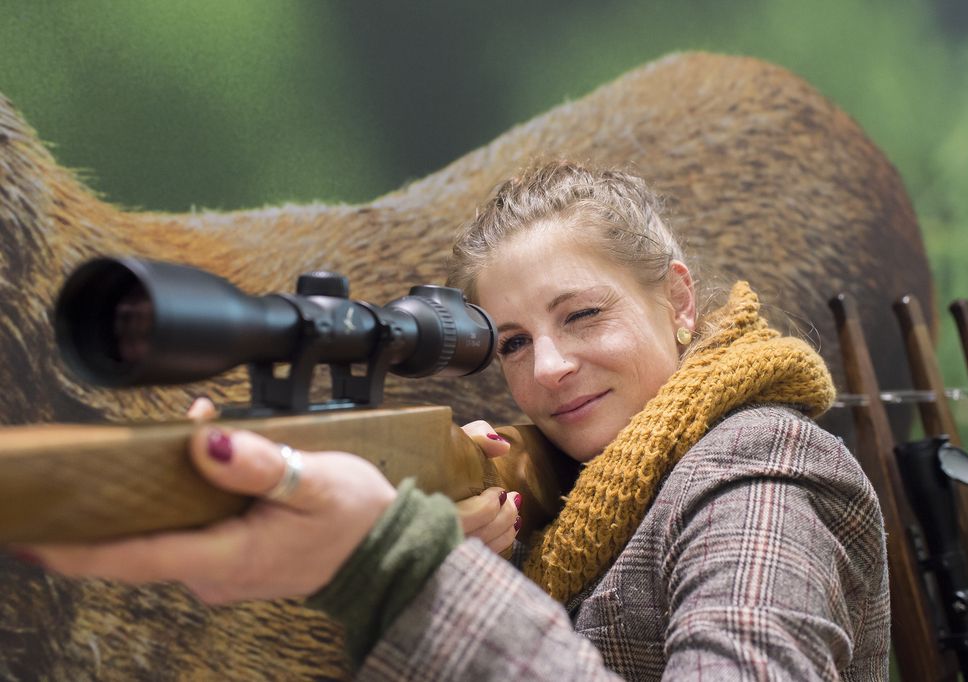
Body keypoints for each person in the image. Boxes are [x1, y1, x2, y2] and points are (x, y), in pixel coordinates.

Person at [16, 161, 890, 680]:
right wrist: (484, 571)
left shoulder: (757, 472)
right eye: (509, 342)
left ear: (679, 298)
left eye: (583, 316)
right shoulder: (579, 504)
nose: (546, 368)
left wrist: (408, 572)